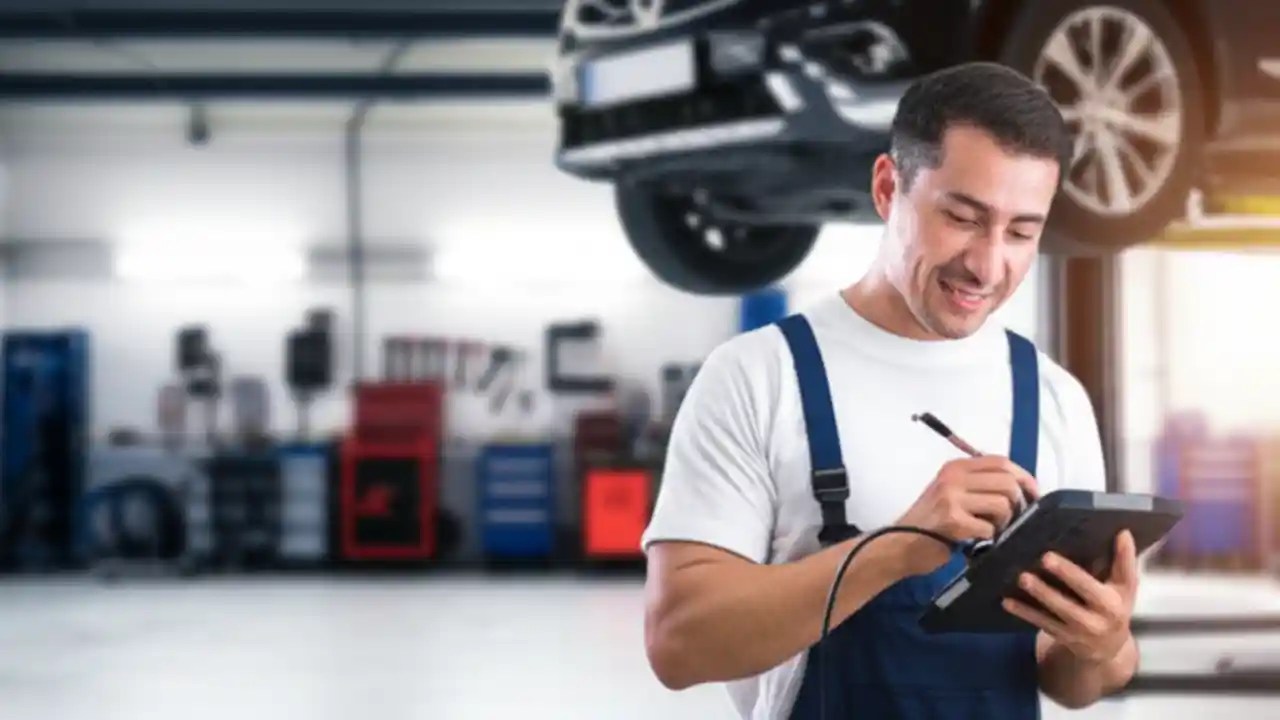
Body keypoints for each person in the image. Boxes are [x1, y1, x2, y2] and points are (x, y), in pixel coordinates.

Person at [640, 62, 1141, 720]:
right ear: (886, 188)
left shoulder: (1054, 398)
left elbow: (1070, 681)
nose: (988, 265)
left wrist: (1104, 645)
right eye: (961, 217)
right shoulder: (758, 376)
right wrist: (897, 548)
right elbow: (679, 644)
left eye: (1022, 232)